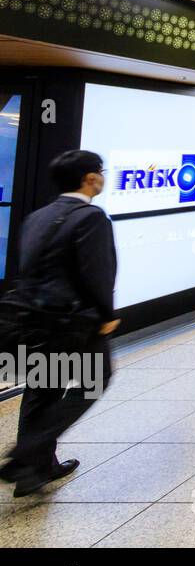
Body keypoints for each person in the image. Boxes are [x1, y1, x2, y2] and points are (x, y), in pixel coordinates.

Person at [0, 150, 118, 497]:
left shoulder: (38, 216)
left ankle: (35, 471)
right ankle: (26, 455)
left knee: (42, 389)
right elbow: (96, 274)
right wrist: (107, 316)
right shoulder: (91, 217)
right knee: (94, 382)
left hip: (31, 317)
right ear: (89, 178)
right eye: (100, 171)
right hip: (74, 320)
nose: (102, 177)